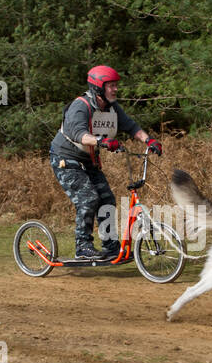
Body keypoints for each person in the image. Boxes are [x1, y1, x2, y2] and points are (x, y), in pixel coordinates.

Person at [50, 65, 162, 259]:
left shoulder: (111, 107)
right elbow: (78, 134)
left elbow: (130, 126)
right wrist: (101, 141)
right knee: (88, 198)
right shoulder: (81, 106)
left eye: (116, 85)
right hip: (66, 159)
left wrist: (148, 140)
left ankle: (110, 247)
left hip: (88, 160)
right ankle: (82, 247)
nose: (116, 89)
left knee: (107, 199)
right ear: (98, 87)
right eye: (111, 85)